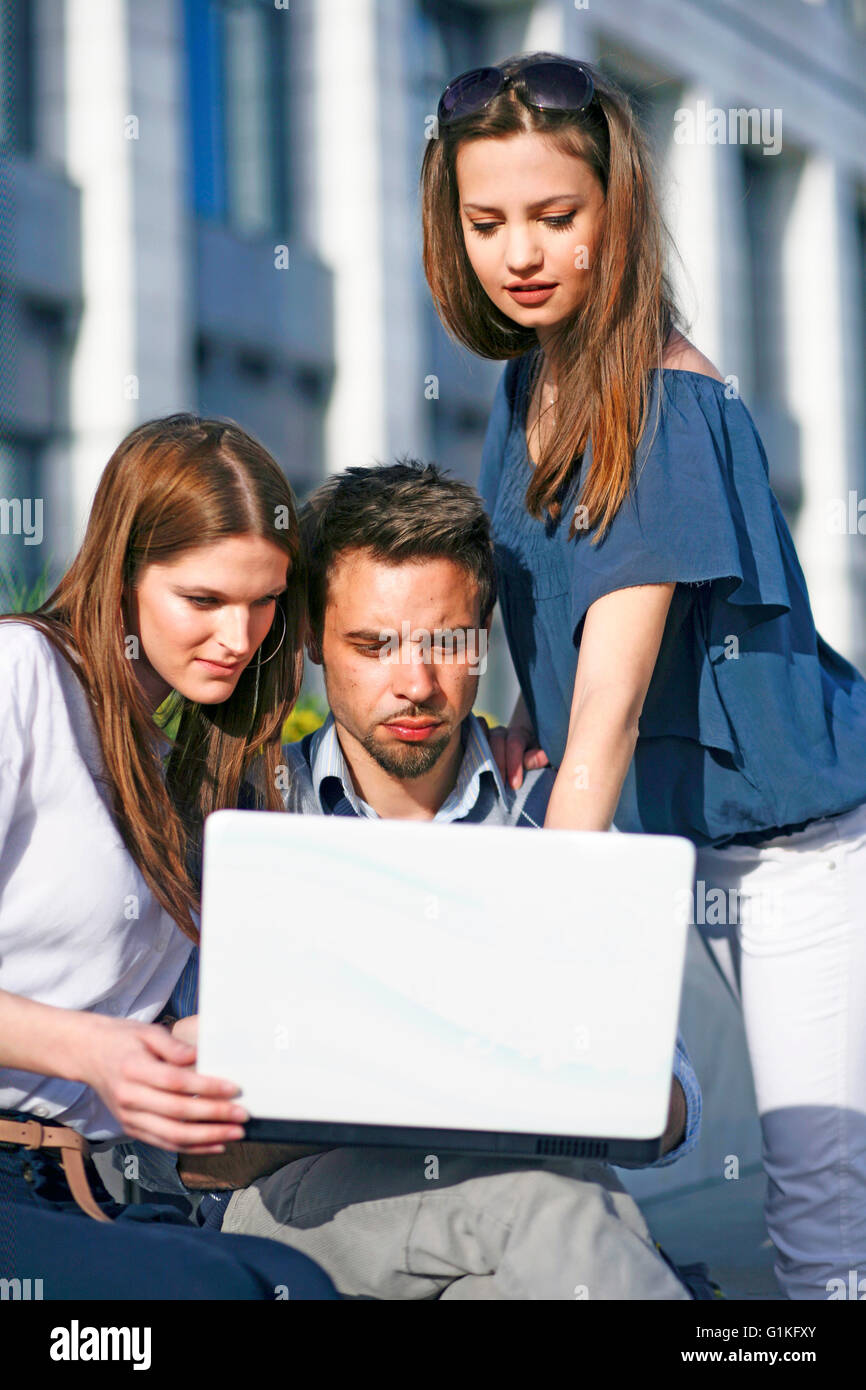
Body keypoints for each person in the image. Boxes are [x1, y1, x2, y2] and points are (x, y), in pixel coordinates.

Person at [419, 50, 866, 1301]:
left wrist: (537, 921)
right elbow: (545, 617)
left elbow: (609, 702)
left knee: (820, 1214)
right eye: (486, 219)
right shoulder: (532, 379)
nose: (519, 252)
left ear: (615, 215)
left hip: (795, 848)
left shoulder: (661, 405)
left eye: (555, 218)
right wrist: (509, 727)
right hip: (672, 831)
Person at [120, 460, 702, 1301]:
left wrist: (596, 1085)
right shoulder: (240, 823)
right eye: (373, 645)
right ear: (315, 638)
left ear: (485, 642)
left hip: (494, 1237)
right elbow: (179, 1154)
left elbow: (670, 1104)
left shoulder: (554, 814)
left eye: (447, 643)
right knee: (553, 1205)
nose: (416, 684)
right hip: (293, 1216)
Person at [0, 413, 336, 1300]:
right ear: (123, 576)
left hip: (87, 1188)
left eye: (265, 600)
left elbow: (124, 1022)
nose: (241, 636)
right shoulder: (20, 677)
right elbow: (91, 1039)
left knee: (295, 1284)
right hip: (22, 1181)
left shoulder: (176, 763)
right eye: (204, 600)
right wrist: (91, 1052)